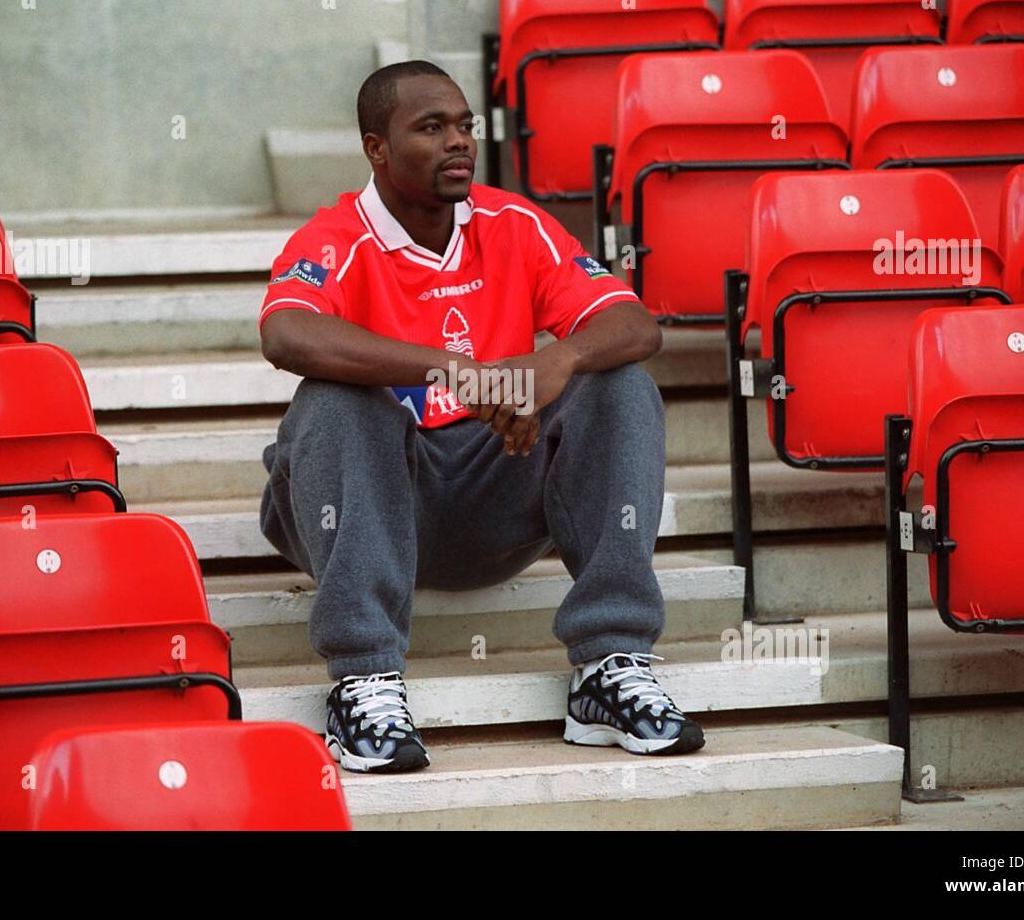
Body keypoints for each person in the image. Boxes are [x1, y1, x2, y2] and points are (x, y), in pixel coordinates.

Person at [259, 61, 704, 773]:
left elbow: (634, 324)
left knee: (620, 385)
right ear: (377, 147)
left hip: (492, 499)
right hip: (370, 505)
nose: (459, 141)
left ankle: (608, 665)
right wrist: (452, 369)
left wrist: (556, 361)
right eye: (431, 127)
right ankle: (363, 678)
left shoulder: (512, 222)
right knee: (335, 398)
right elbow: (286, 335)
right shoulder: (336, 236)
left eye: (465, 125)